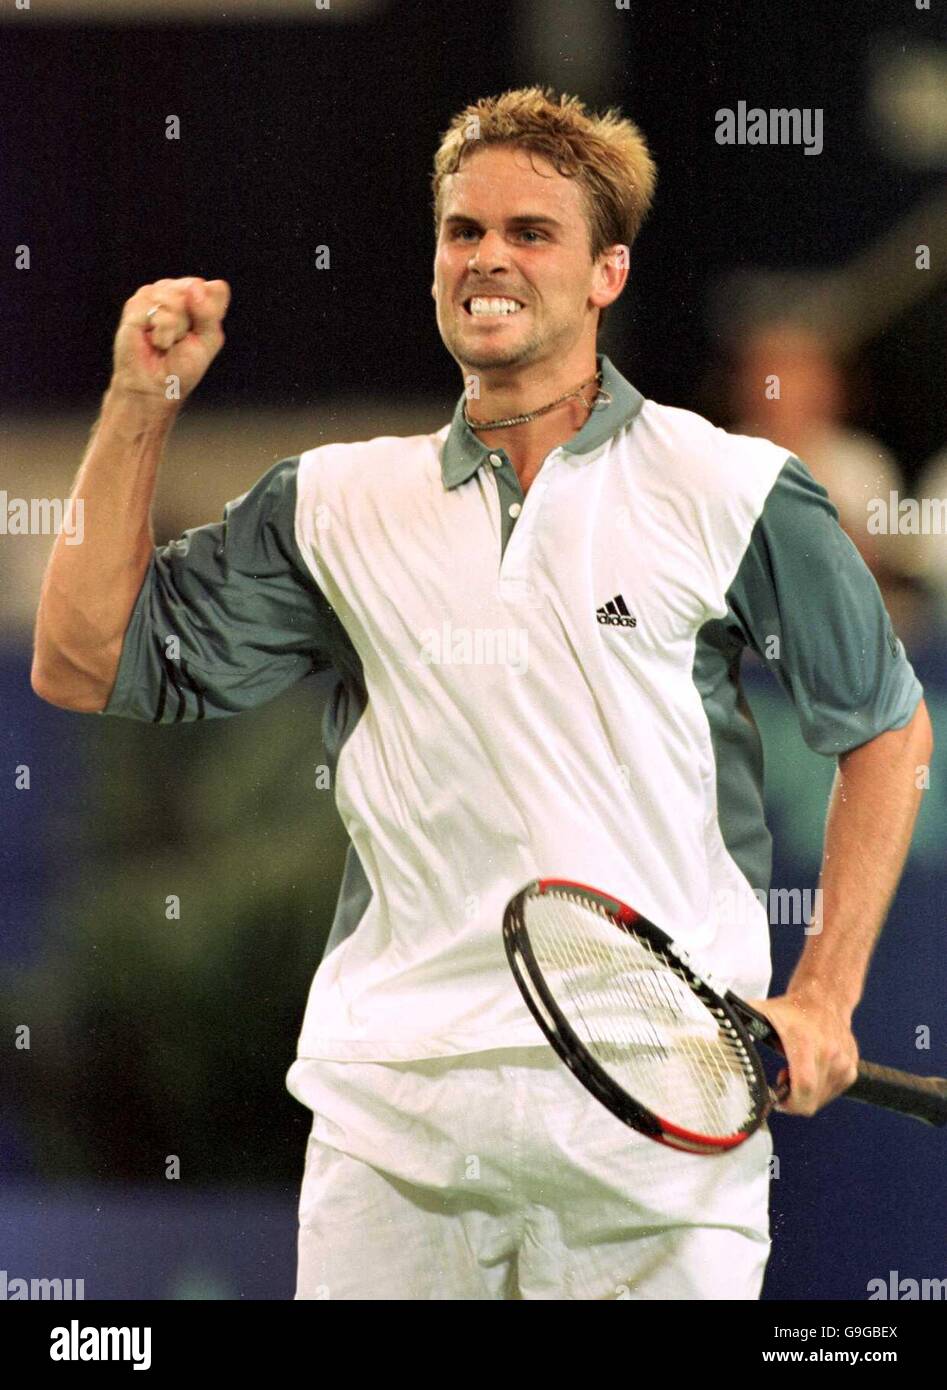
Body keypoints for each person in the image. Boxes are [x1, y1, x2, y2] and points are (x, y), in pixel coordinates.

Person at [31, 87, 932, 1301]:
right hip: (393, 1143)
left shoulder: (731, 487)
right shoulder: (333, 503)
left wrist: (822, 992)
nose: (487, 258)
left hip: (656, 1156)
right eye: (463, 231)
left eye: (529, 232)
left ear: (606, 271)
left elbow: (881, 725)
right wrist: (138, 404)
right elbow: (81, 661)